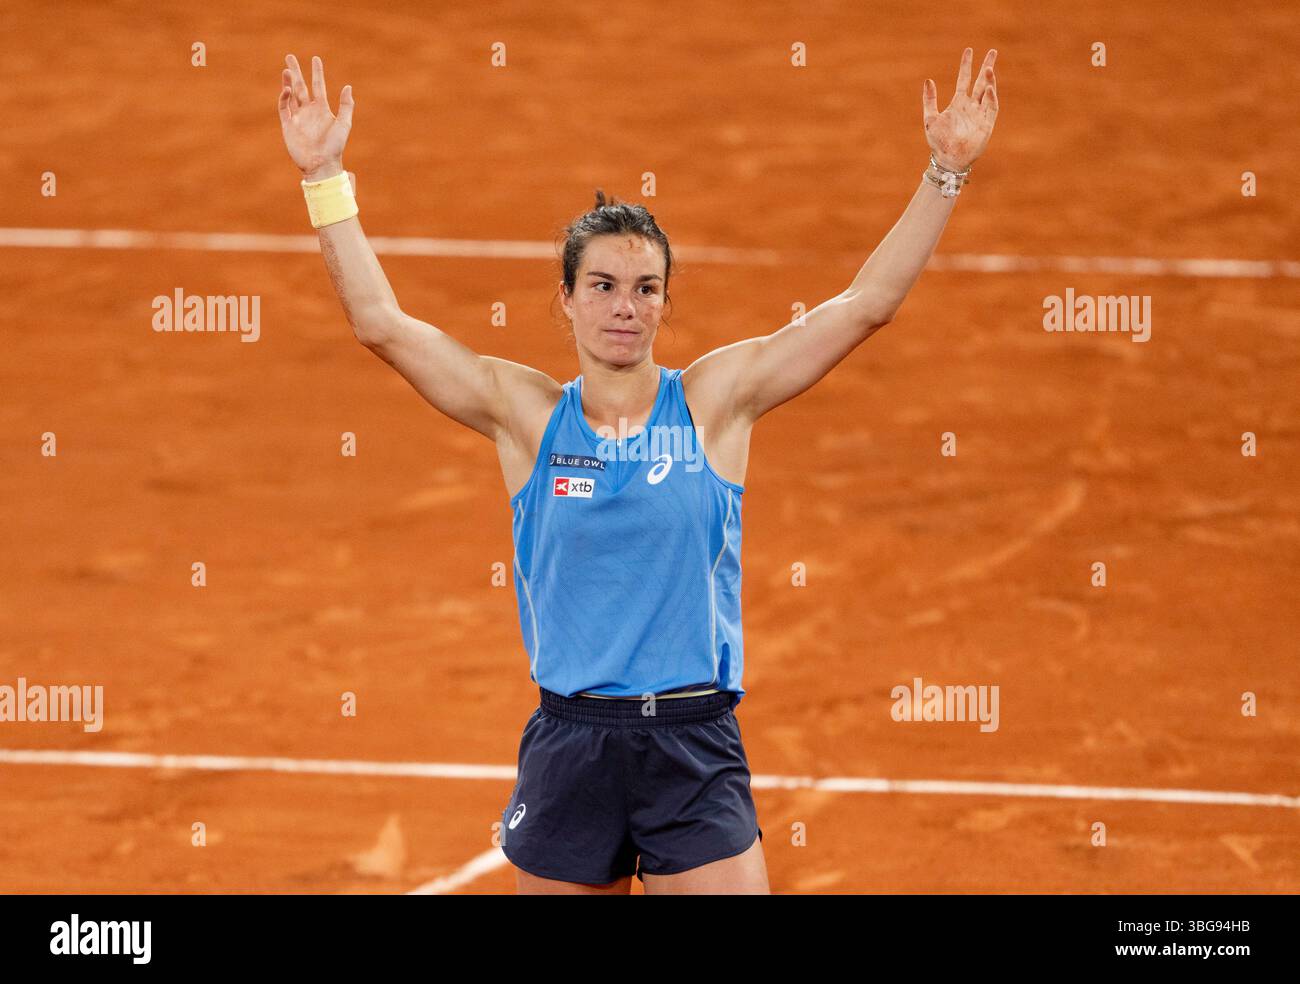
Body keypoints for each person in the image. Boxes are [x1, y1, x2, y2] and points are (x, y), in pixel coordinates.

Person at [277, 47, 999, 894]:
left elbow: (864, 306)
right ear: (569, 297)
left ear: (665, 300)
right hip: (571, 744)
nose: (627, 305)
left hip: (691, 746)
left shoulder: (715, 402)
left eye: (647, 288)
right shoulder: (526, 413)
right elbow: (381, 325)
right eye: (606, 285)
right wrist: (324, 174)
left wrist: (943, 173)